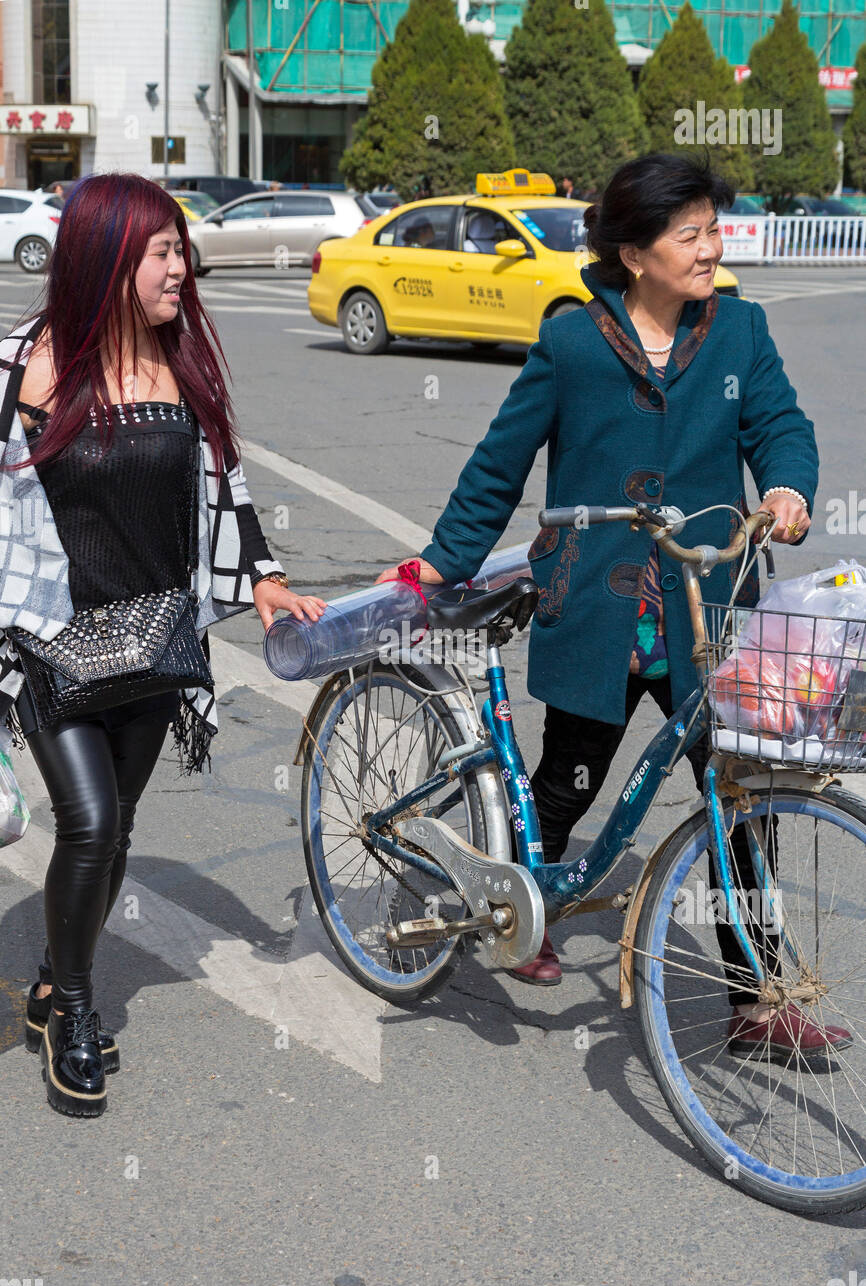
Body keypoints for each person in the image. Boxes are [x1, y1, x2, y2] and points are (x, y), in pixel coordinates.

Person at [377, 153, 850, 1061]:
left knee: (737, 805)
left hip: (707, 616)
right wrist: (446, 562)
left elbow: (781, 425)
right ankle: (531, 905)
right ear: (635, 253)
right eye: (692, 234)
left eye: (715, 229)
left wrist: (788, 489)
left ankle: (758, 1002)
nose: (712, 247)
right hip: (596, 607)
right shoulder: (573, 343)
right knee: (569, 780)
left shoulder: (741, 332)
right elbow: (500, 460)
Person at [0, 173, 325, 1117]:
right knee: (91, 824)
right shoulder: (30, 362)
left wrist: (262, 582)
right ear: (107, 259)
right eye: (163, 252)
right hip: (50, 638)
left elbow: (225, 488)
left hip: (154, 639)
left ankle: (55, 982)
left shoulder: (179, 363)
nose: (183, 267)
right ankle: (75, 1011)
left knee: (118, 836)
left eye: (183, 248)